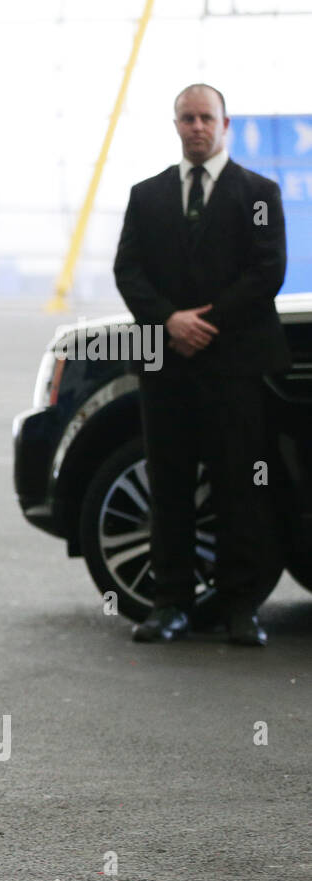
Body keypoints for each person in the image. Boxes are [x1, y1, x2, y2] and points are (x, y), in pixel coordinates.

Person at [114, 83, 288, 647]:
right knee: (169, 490)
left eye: (205, 118)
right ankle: (170, 606)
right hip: (167, 368)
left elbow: (268, 271)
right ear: (176, 125)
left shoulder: (259, 194)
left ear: (224, 124)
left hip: (234, 366)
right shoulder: (146, 196)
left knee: (240, 487)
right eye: (186, 118)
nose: (196, 127)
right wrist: (170, 321)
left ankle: (241, 608)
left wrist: (201, 323)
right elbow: (128, 270)